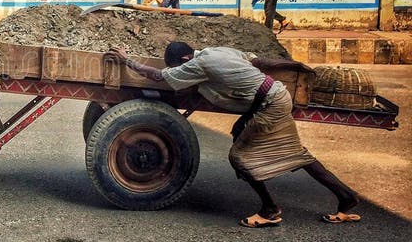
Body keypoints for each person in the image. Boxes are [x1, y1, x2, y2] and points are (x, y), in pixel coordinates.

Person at [107, 42, 361, 228]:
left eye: (181, 67)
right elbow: (261, 61)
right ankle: (346, 198)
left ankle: (270, 210)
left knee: (239, 157)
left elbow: (159, 76)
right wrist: (294, 65)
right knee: (295, 153)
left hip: (268, 106)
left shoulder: (199, 63)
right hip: (277, 95)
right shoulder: (218, 51)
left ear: (186, 58)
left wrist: (126, 59)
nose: (184, 72)